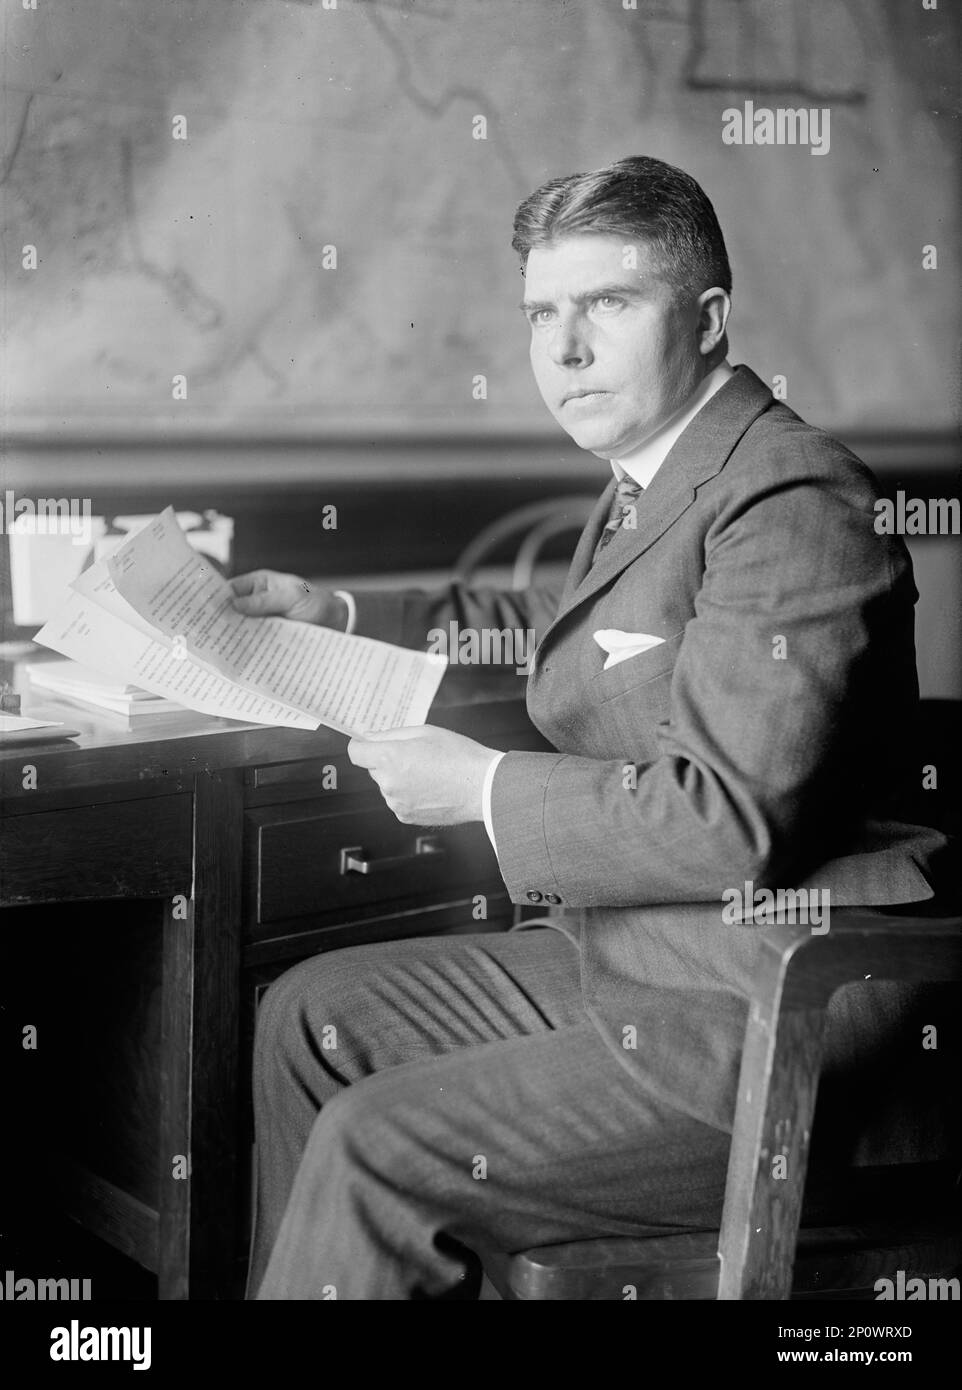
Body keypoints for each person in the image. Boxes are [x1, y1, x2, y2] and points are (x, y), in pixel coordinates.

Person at [232, 156, 949, 1300]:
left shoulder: (789, 495)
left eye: (606, 307)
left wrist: (482, 791)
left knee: (381, 1141)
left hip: (774, 1000)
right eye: (540, 316)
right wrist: (348, 613)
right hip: (637, 955)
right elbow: (575, 630)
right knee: (309, 1016)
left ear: (708, 320)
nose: (563, 352)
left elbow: (725, 823)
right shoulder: (657, 476)